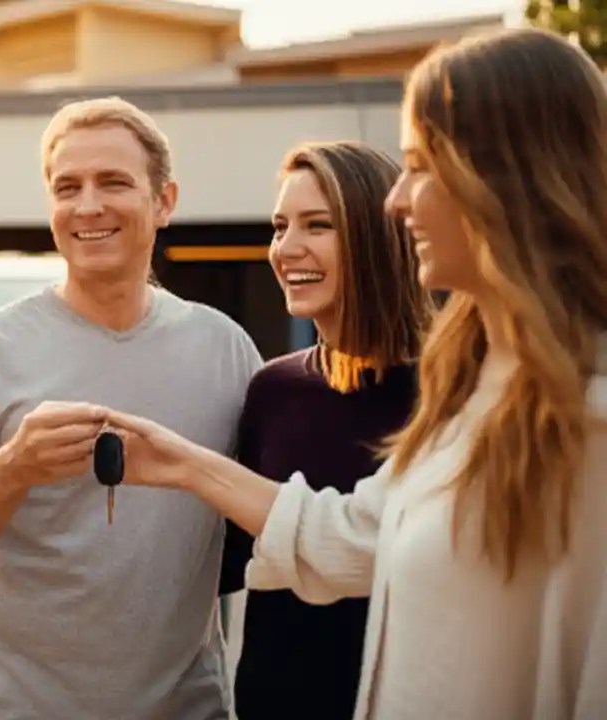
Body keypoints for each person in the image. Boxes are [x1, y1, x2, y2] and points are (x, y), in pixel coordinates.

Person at [105, 27, 607, 720]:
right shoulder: (473, 391)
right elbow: (348, 537)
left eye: (421, 166)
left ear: (505, 179)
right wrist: (176, 462)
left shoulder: (586, 423)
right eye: (281, 225)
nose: (398, 201)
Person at [0, 95, 263, 719]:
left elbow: (275, 527)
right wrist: (14, 467)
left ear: (164, 202)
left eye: (114, 182)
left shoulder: (225, 349)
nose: (88, 206)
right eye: (67, 187)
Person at [220, 141, 433, 720]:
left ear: (378, 234)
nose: (287, 248)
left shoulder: (453, 390)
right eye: (280, 227)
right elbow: (227, 565)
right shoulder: (273, 390)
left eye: (317, 225)